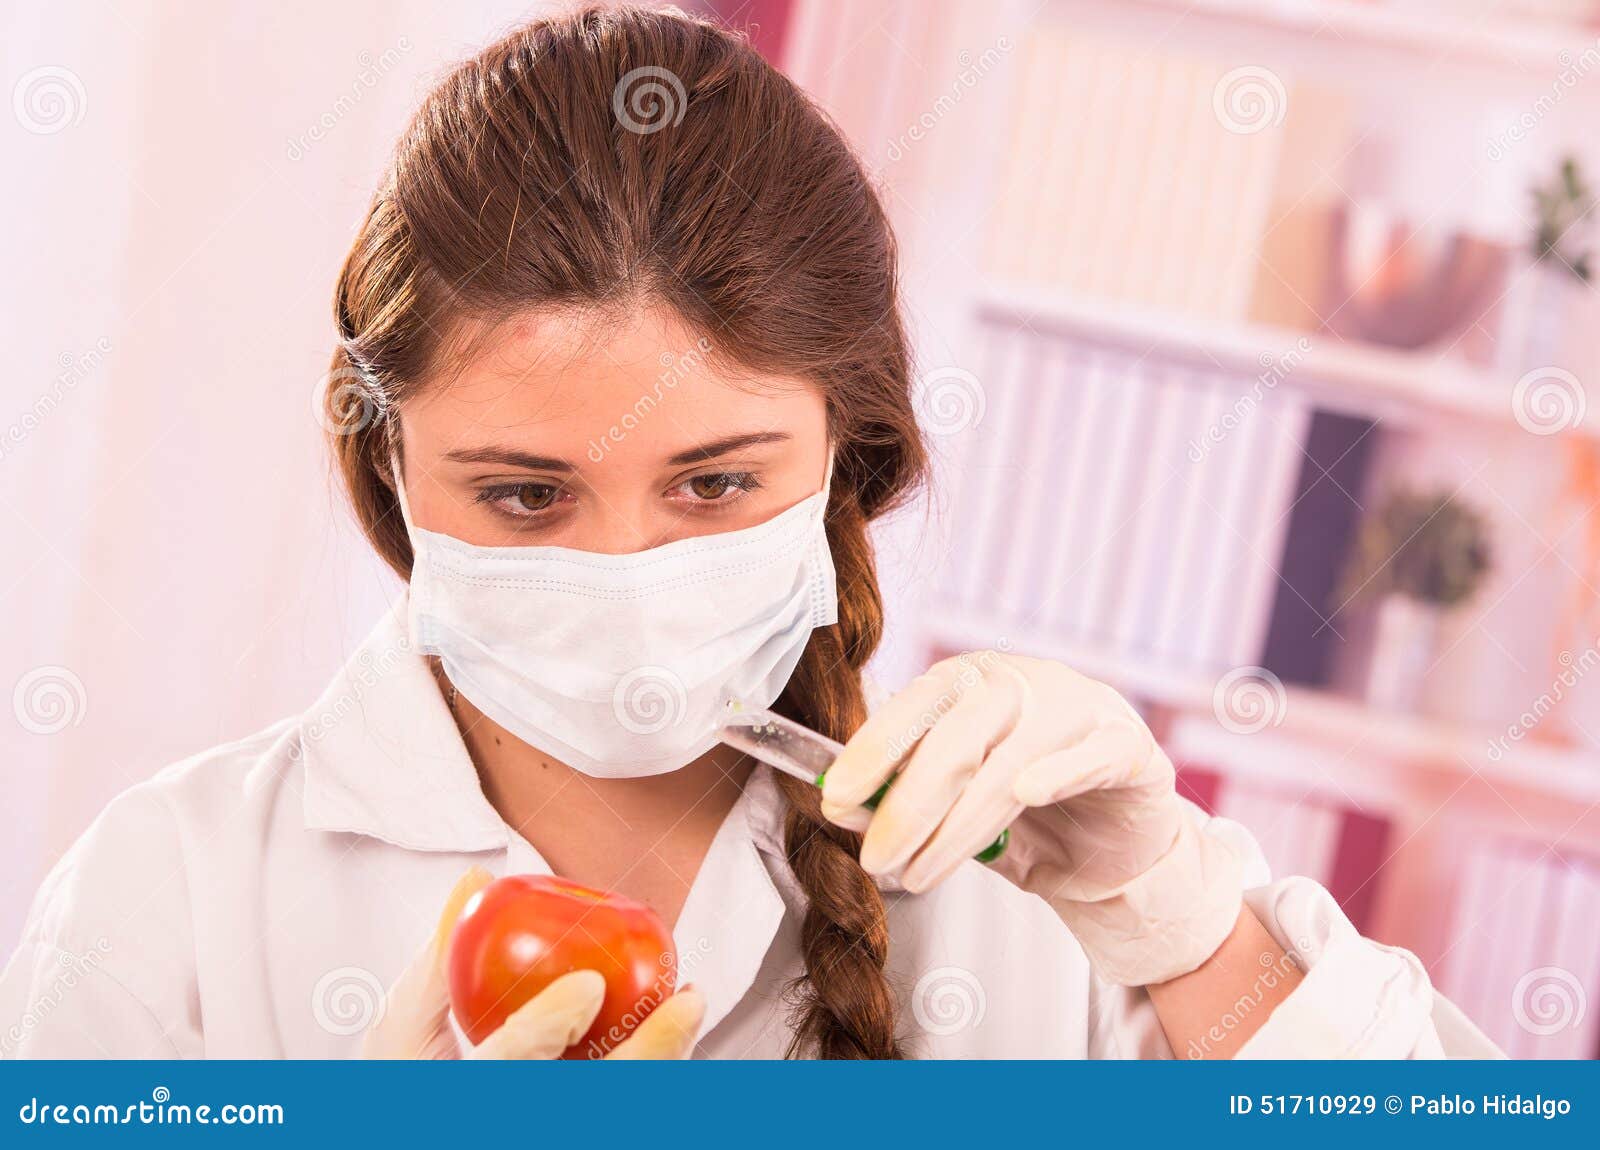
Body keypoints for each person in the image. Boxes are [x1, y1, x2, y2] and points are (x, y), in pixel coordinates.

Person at [0, 5, 1498, 1060]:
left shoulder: (1038, 901)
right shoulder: (171, 898)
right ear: (392, 470)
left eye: (714, 484)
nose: (626, 575)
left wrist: (1184, 929)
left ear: (851, 451)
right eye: (524, 494)